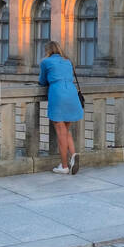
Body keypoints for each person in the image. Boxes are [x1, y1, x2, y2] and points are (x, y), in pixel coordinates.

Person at [38, 41, 84, 175]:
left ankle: (64, 166)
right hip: (71, 94)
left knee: (60, 133)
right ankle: (73, 155)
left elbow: (42, 81)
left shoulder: (46, 62)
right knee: (65, 131)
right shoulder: (68, 61)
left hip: (58, 95)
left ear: (48, 51)